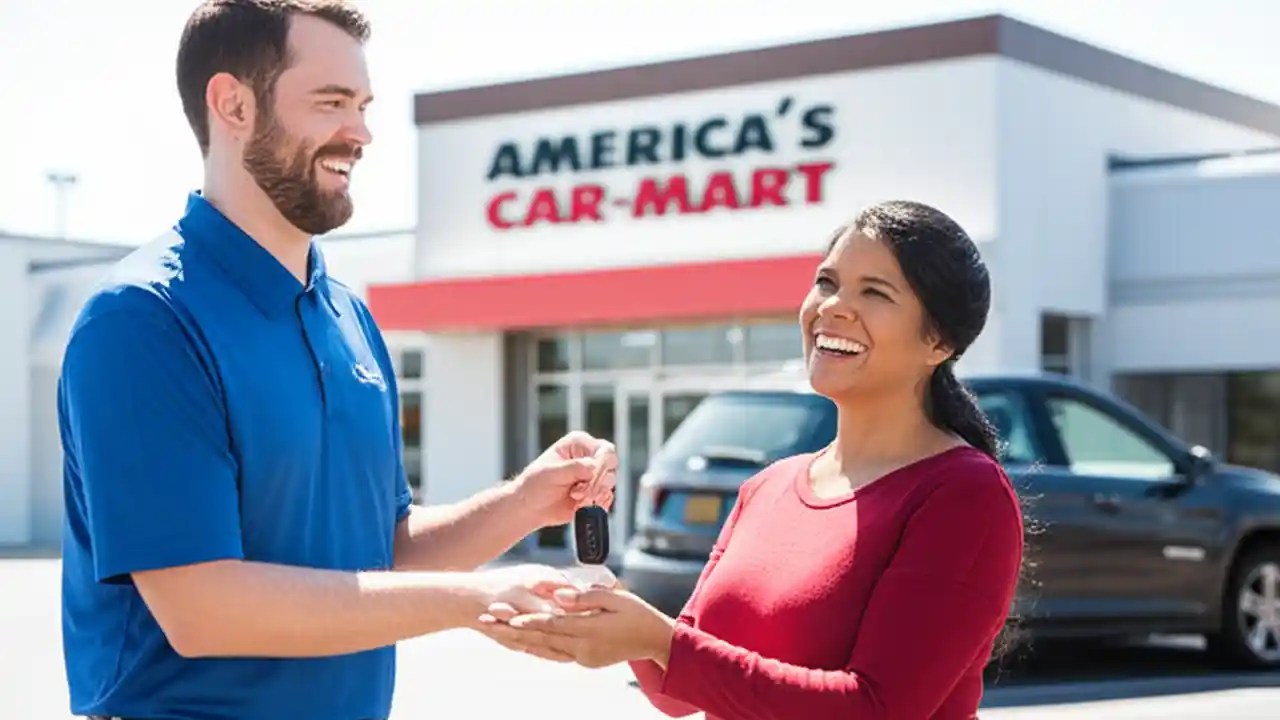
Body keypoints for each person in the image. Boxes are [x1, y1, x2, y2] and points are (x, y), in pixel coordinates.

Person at [57, 2, 607, 719]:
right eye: (332, 102)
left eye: (364, 105)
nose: (362, 132)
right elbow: (204, 609)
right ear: (233, 105)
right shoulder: (143, 320)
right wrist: (475, 601)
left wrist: (525, 502)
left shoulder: (348, 316)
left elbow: (384, 555)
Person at [480, 200, 1028, 719]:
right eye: (827, 282)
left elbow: (874, 709)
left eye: (875, 292)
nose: (834, 306)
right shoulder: (768, 487)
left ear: (939, 342)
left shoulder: (963, 495)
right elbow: (680, 689)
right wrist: (608, 606)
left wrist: (659, 640)